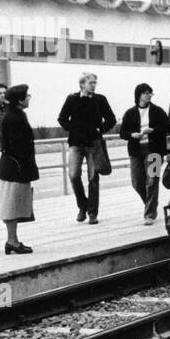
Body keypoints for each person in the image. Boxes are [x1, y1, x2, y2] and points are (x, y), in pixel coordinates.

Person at [57, 72, 116, 225]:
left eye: (95, 82)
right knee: (74, 175)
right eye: (91, 82)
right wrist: (73, 129)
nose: (94, 85)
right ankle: (82, 205)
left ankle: (92, 213)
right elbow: (62, 118)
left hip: (93, 144)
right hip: (76, 143)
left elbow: (111, 119)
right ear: (82, 84)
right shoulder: (72, 99)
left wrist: (100, 130)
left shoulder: (100, 100)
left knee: (93, 178)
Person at [119, 83, 170, 225]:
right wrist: (132, 135)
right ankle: (151, 203)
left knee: (152, 181)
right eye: (146, 93)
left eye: (150, 93)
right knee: (136, 182)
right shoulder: (130, 113)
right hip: (136, 151)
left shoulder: (158, 111)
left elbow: (167, 128)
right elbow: (122, 133)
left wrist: (152, 130)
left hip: (154, 151)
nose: (149, 95)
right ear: (139, 95)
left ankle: (149, 214)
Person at [0, 84, 38, 254]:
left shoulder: (16, 114)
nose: (29, 98)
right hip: (15, 168)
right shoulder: (14, 117)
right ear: (19, 101)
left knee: (14, 204)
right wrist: (24, 167)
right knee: (12, 205)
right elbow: (16, 145)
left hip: (14, 166)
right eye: (27, 96)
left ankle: (12, 240)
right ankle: (12, 241)